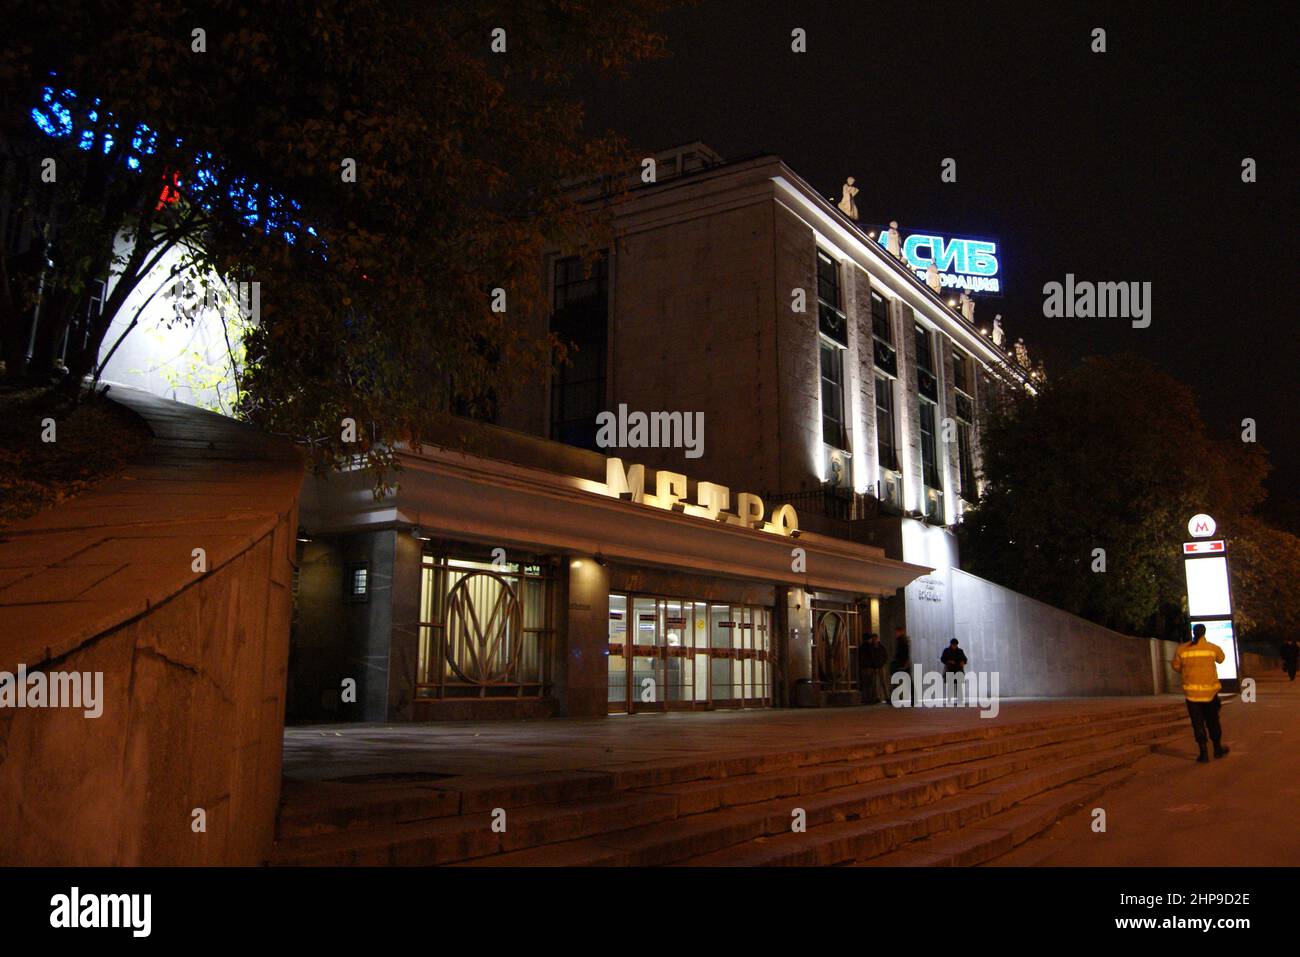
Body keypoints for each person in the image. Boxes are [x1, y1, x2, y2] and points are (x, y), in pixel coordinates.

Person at [1171, 623, 1229, 763]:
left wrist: (1188, 671)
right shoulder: (1212, 648)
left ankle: (1203, 753)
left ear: (1193, 632)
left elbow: (1176, 666)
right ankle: (1217, 748)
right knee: (1213, 721)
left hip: (1192, 695)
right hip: (1210, 693)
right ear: (1204, 633)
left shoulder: (1182, 649)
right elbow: (1221, 659)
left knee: (1197, 723)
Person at [860, 633, 890, 704]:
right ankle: (877, 697)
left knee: (883, 682)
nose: (874, 640)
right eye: (873, 639)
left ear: (877, 639)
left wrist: (882, 663)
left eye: (875, 639)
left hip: (880, 667)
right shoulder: (871, 647)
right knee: (875, 683)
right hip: (875, 667)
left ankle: (887, 697)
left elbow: (885, 656)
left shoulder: (881, 647)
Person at [940, 638, 968, 704]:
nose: (955, 646)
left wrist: (963, 662)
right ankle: (949, 699)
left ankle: (959, 699)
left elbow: (965, 659)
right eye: (953, 645)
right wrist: (949, 661)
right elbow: (942, 659)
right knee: (950, 685)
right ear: (951, 644)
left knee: (959, 685)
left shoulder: (960, 651)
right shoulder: (946, 651)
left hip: (958, 670)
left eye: (956, 645)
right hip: (950, 670)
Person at [890, 625, 912, 706]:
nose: (896, 634)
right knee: (907, 681)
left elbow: (902, 653)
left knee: (898, 680)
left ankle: (895, 698)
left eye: (897, 632)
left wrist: (902, 663)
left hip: (901, 664)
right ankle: (896, 698)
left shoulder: (901, 641)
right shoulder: (903, 640)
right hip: (903, 663)